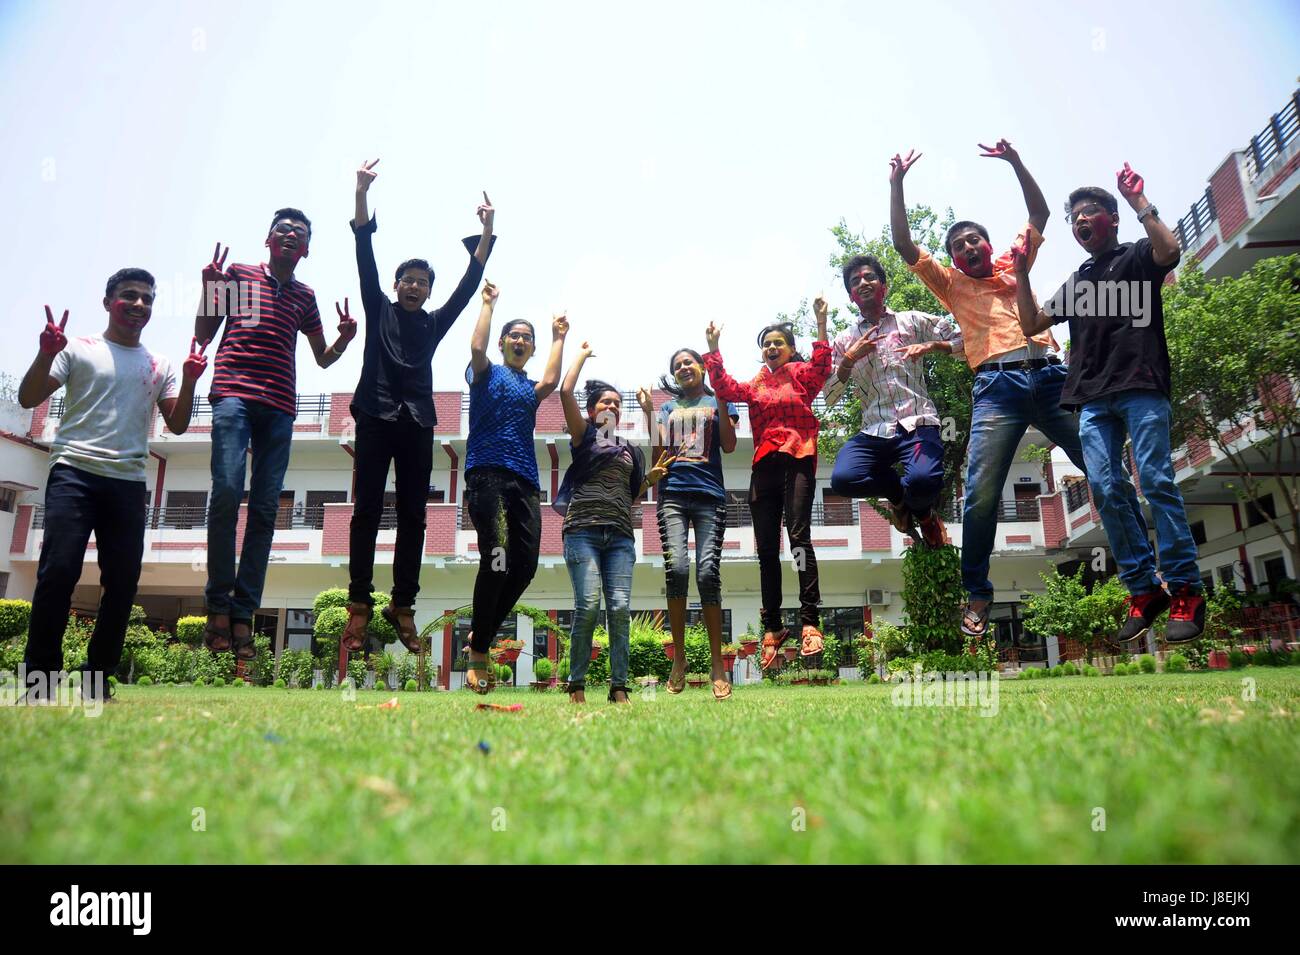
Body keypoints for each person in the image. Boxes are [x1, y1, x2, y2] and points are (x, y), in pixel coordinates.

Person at [890, 140, 1087, 640]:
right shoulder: (951, 285)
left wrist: (1017, 163)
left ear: (987, 242)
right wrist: (897, 185)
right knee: (979, 493)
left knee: (1104, 468)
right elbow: (904, 247)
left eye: (974, 240)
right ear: (953, 258)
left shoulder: (1013, 261)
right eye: (958, 246)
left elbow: (1040, 212)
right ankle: (977, 589)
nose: (967, 248)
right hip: (996, 386)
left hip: (1048, 374)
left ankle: (1145, 575)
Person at [1012, 163, 1203, 645]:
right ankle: (1144, 589)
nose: (1079, 220)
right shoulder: (1077, 281)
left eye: (1089, 211)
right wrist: (1019, 270)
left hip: (1141, 386)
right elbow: (1033, 323)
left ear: (1111, 219)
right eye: (1073, 215)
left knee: (1156, 481)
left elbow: (1171, 250)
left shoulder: (1138, 256)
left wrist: (1141, 202)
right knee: (1106, 487)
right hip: (1092, 399)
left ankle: (1185, 589)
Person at [18, 270, 205, 701]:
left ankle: (96, 679)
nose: (139, 305)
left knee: (121, 583)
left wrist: (192, 379)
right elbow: (29, 398)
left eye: (147, 299)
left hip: (126, 482)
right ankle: (39, 680)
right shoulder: (78, 349)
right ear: (108, 302)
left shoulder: (158, 364)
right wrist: (46, 354)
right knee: (57, 573)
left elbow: (176, 425)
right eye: (129, 296)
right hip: (74, 473)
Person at [341, 159, 496, 655]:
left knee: (414, 516)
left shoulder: (432, 323)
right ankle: (359, 605)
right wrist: (362, 191)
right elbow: (364, 249)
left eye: (422, 282)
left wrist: (487, 233)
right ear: (395, 285)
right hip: (374, 415)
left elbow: (468, 286)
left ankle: (402, 604)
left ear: (428, 291)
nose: (415, 287)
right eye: (407, 279)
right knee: (366, 511)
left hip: (417, 424)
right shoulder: (377, 307)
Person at [196, 209, 356, 660]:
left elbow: (322, 358)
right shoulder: (241, 275)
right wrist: (210, 289)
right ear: (269, 239)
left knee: (266, 509)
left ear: (306, 249)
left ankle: (243, 612)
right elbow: (203, 334)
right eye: (283, 230)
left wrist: (344, 339)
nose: (291, 236)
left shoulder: (305, 296)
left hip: (280, 406)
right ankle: (217, 607)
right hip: (233, 395)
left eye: (300, 234)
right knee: (227, 490)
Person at [703, 310, 832, 670]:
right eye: (766, 344)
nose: (771, 347)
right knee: (766, 551)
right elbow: (724, 387)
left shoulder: (802, 376)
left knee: (799, 538)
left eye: (778, 343)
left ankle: (810, 621)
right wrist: (713, 348)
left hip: (798, 459)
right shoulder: (756, 384)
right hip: (764, 467)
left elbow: (823, 365)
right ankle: (772, 628)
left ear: (791, 349)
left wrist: (821, 325)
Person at [555, 341, 673, 704]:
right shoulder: (584, 437)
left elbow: (646, 472)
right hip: (582, 533)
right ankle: (576, 685)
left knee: (620, 608)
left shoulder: (628, 450)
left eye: (617, 404)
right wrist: (578, 356)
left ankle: (618, 686)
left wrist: (651, 412)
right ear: (592, 411)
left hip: (620, 537)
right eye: (605, 402)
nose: (611, 407)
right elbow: (563, 392)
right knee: (588, 606)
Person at [462, 284, 566, 693]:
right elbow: (475, 347)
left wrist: (559, 336)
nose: (521, 341)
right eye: (515, 336)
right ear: (503, 343)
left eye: (528, 338)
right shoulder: (484, 373)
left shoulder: (530, 388)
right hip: (486, 474)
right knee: (499, 557)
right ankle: (479, 651)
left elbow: (553, 380)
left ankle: (480, 632)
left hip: (525, 482)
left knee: (525, 565)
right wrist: (487, 305)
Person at [824, 254, 962, 547]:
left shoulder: (911, 320)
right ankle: (899, 500)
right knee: (843, 479)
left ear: (883, 286)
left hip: (917, 422)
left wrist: (935, 345)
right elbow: (830, 394)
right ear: (851, 296)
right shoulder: (844, 340)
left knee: (924, 481)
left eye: (869, 277)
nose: (863, 283)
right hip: (874, 429)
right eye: (855, 281)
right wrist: (849, 359)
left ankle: (925, 516)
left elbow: (965, 340)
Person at [649, 346, 738, 698]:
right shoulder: (668, 409)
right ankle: (680, 658)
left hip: (709, 495)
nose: (683, 368)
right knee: (677, 569)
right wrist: (647, 415)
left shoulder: (722, 401)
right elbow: (659, 457)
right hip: (672, 494)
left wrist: (720, 401)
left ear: (702, 367)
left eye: (689, 362)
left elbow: (729, 446)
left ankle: (717, 663)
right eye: (677, 366)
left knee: (706, 573)